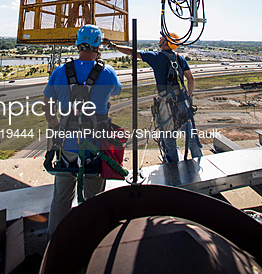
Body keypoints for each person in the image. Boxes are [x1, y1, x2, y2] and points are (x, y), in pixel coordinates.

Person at [43, 24, 121, 240]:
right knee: (93, 199)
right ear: (98, 46)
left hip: (67, 148)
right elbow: (115, 92)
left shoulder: (60, 72)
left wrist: (57, 127)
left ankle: (54, 244)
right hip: (95, 149)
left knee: (61, 199)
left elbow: (48, 107)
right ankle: (93, 243)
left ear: (77, 44)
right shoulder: (107, 72)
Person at [109, 33, 202, 163]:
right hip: (182, 101)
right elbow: (190, 79)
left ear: (166, 43)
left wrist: (113, 46)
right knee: (190, 135)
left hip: (167, 104)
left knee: (169, 137)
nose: (159, 39)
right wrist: (190, 96)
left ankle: (173, 167)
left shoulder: (157, 58)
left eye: (162, 38)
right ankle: (199, 160)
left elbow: (133, 52)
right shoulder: (181, 59)